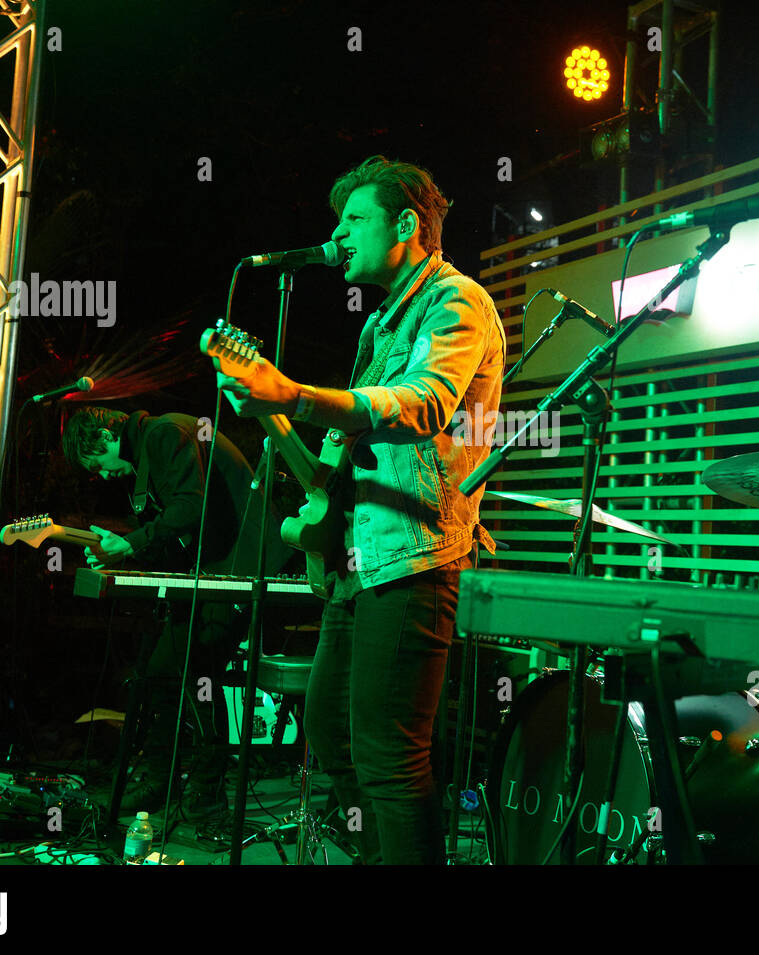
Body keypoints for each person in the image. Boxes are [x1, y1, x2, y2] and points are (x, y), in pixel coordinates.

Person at [214, 155, 505, 864]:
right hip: (355, 565)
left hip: (412, 560)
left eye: (354, 219)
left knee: (389, 760)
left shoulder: (455, 300)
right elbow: (328, 476)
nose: (337, 235)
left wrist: (297, 395)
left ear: (406, 225)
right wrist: (268, 415)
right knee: (331, 731)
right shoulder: (377, 328)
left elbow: (424, 404)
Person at [62, 407, 289, 819]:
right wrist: (122, 553)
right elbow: (177, 532)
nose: (100, 474)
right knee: (166, 670)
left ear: (102, 437)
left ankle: (204, 793)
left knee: (195, 666)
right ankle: (163, 782)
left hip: (241, 565)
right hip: (217, 570)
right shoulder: (152, 450)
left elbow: (188, 509)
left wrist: (128, 544)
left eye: (95, 462)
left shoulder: (165, 434)